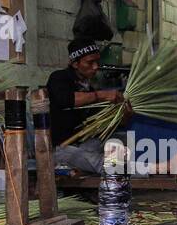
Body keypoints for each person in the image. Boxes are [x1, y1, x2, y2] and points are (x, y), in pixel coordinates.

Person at [46, 39, 124, 174]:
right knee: (102, 163)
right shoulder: (58, 78)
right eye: (90, 62)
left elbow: (101, 123)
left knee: (121, 140)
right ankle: (158, 168)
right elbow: (67, 99)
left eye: (97, 62)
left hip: (85, 145)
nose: (95, 67)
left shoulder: (90, 88)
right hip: (61, 148)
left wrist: (124, 113)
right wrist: (100, 95)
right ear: (75, 63)